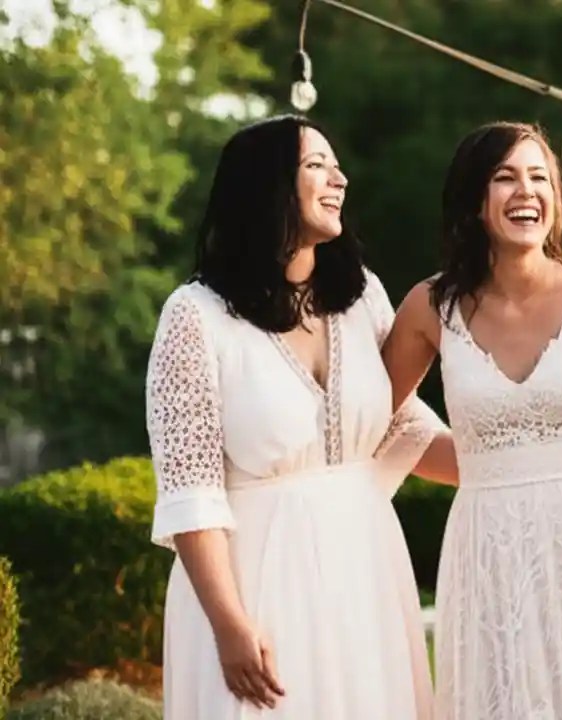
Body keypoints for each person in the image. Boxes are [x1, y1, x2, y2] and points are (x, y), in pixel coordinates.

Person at [145, 115, 450, 719]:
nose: (339, 179)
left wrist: (536, 456)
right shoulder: (194, 315)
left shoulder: (362, 297)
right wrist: (229, 624)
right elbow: (190, 493)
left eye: (337, 166)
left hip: (365, 570)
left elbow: (402, 428)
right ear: (269, 185)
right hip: (258, 583)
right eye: (316, 165)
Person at [381, 122, 562, 719]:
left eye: (539, 177)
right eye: (504, 177)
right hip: (486, 543)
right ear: (473, 198)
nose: (526, 191)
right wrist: (487, 469)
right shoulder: (428, 308)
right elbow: (368, 416)